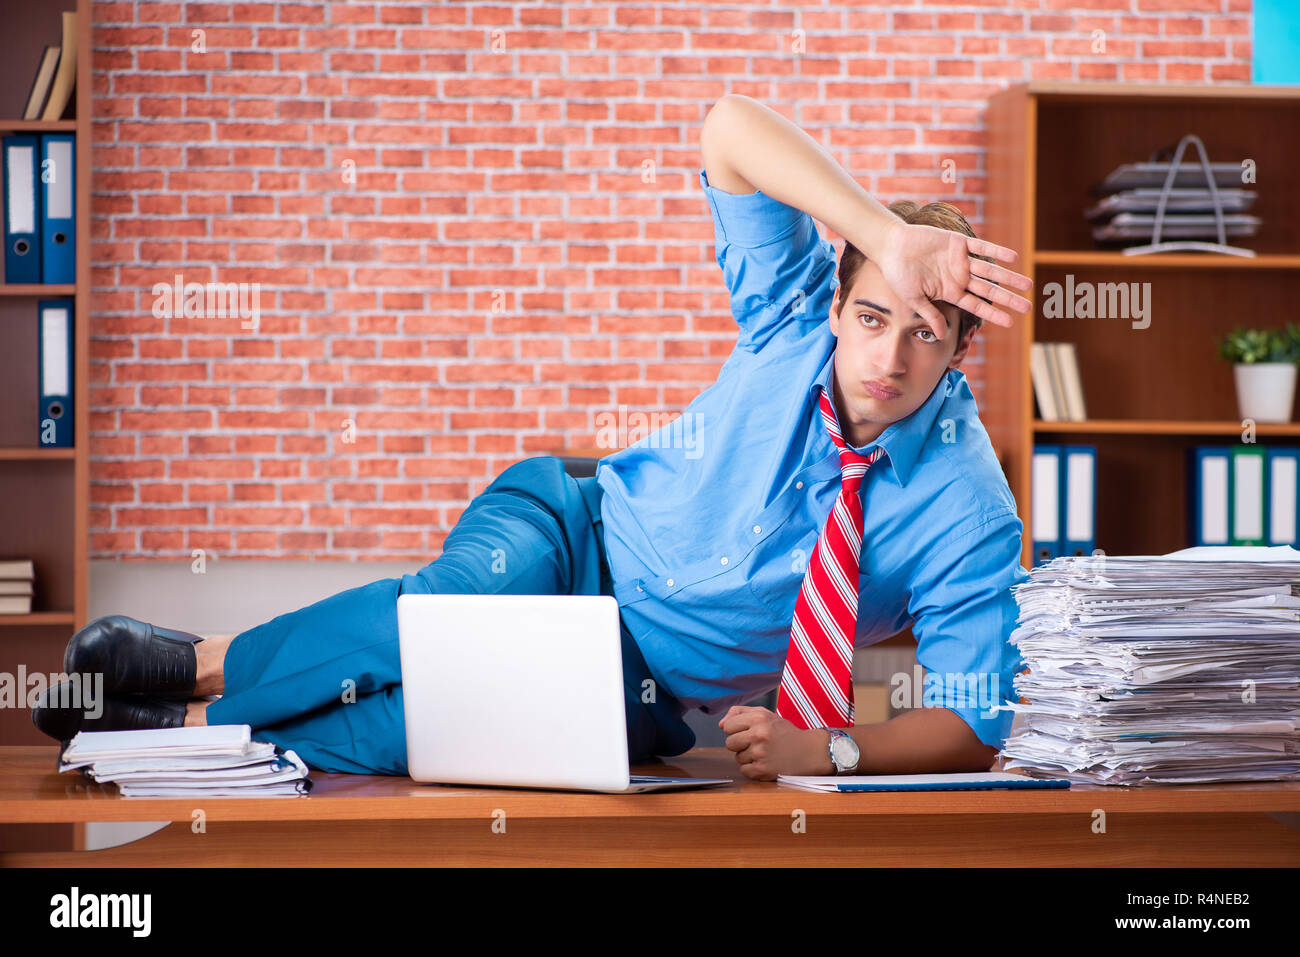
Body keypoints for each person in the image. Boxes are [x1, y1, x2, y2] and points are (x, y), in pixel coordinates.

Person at [34, 94, 1033, 781]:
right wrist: (882, 231)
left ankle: (178, 730)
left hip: (640, 679)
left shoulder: (966, 507)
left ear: (957, 353)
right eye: (872, 315)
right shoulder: (789, 315)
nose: (889, 355)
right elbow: (729, 127)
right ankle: (204, 663)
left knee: (433, 725)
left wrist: (837, 750)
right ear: (836, 306)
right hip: (571, 526)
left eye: (924, 333)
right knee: (462, 610)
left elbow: (974, 716)